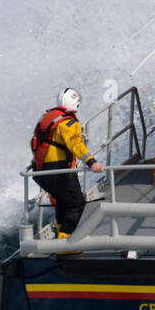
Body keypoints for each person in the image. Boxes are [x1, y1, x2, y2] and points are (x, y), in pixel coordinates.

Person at [30, 88, 104, 239]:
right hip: (59, 171)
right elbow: (75, 145)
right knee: (76, 204)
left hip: (39, 172)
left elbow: (34, 142)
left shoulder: (46, 117)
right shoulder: (69, 122)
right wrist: (92, 162)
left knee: (63, 202)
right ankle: (66, 242)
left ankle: (60, 235)